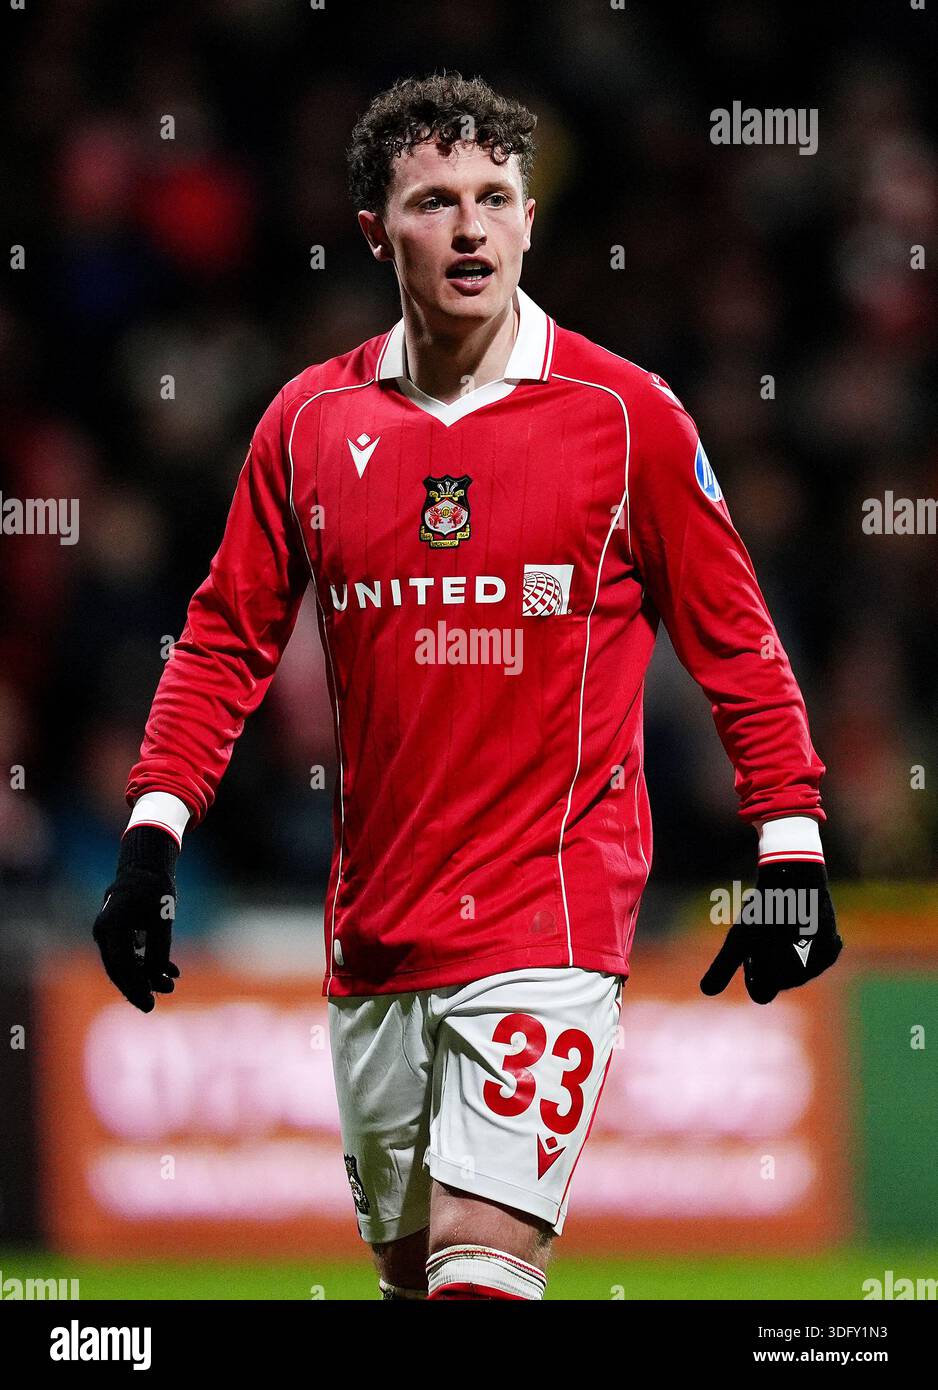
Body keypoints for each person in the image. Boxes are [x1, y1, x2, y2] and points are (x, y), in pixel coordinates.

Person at [92, 72, 842, 1301]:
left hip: (549, 917)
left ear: (532, 223)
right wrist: (149, 842)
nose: (470, 227)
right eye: (434, 201)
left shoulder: (624, 416)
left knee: (479, 1274)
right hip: (378, 927)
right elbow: (222, 639)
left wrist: (792, 844)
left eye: (495, 197)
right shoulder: (308, 424)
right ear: (375, 229)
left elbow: (736, 640)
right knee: (409, 1278)